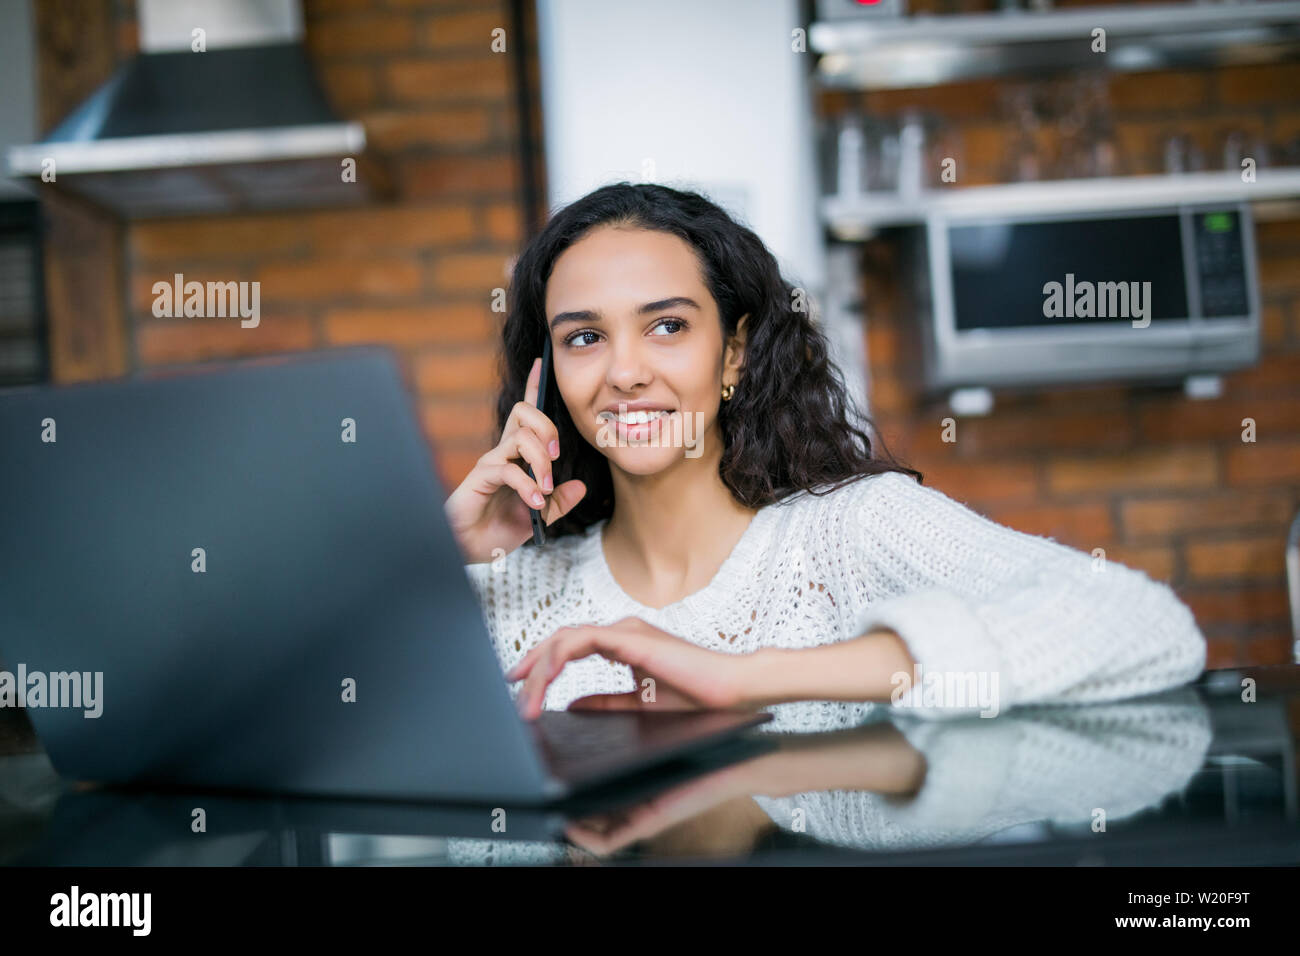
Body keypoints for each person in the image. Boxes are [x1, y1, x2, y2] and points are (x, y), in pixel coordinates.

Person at [442, 182, 1205, 726]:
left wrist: (738, 680)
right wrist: (437, 557)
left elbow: (1144, 625)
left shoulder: (853, 532)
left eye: (668, 326)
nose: (626, 371)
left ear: (735, 355)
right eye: (584, 337)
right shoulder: (510, 589)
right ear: (548, 384)